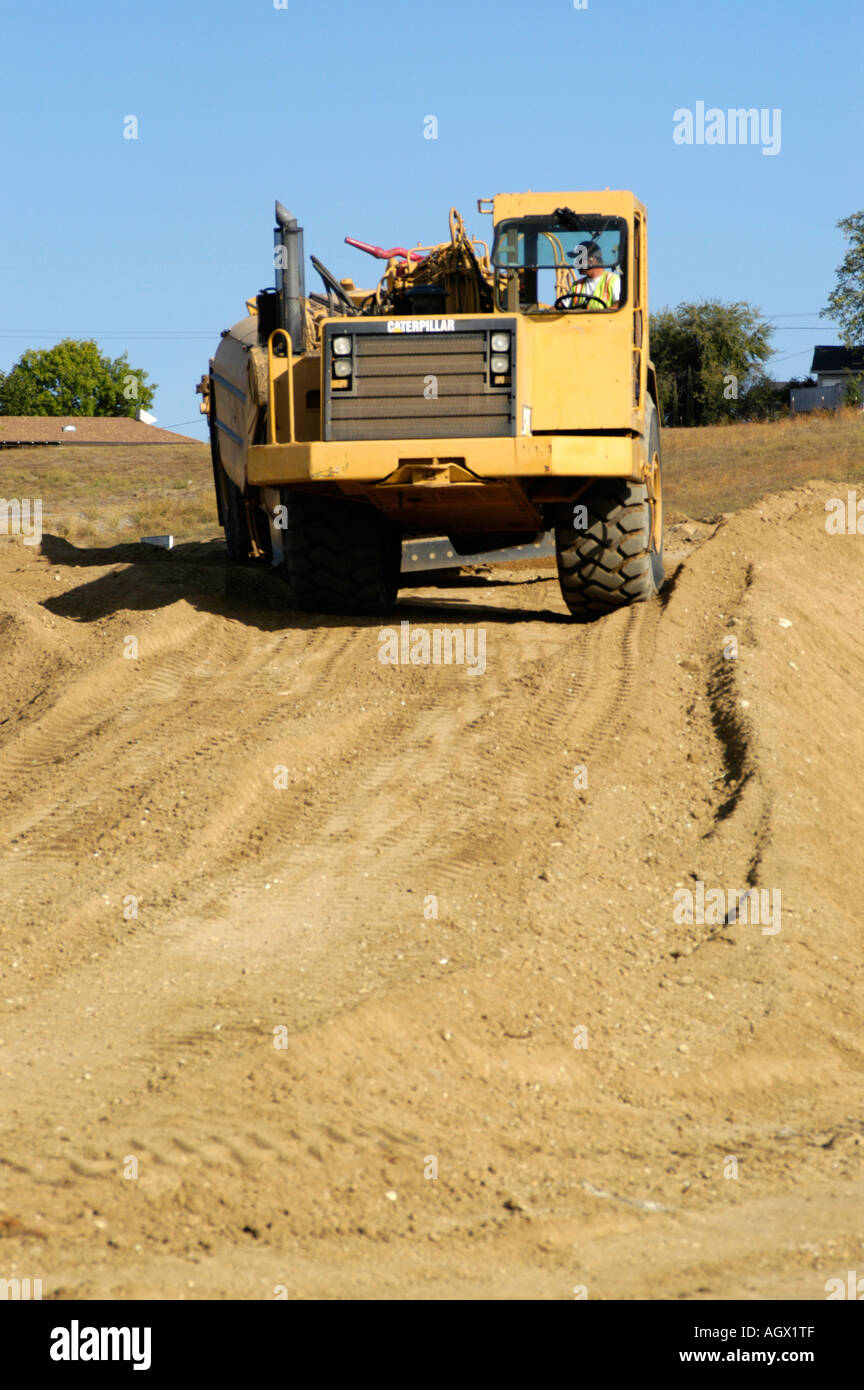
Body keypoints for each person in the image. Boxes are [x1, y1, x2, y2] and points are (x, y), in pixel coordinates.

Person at [566, 241, 621, 310]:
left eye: (579, 259)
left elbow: (620, 306)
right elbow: (559, 307)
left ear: (592, 260)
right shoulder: (576, 286)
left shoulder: (614, 281)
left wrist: (598, 315)